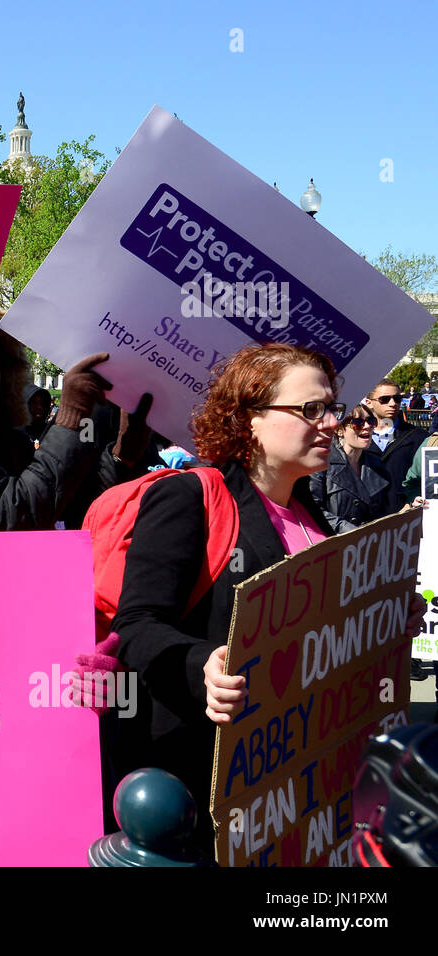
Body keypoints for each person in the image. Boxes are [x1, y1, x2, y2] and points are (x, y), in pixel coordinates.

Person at [111, 343, 426, 856]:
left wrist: (387, 617)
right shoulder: (190, 496)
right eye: (310, 410)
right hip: (205, 784)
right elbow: (137, 625)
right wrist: (201, 667)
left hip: (302, 785)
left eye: (332, 409)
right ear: (250, 419)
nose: (329, 423)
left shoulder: (309, 513)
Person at [0, 302, 150, 531]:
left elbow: (71, 508)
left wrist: (122, 455)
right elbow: (17, 515)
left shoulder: (10, 441)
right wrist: (70, 419)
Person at [309, 405, 398, 533]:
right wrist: (351, 532)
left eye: (371, 421)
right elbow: (314, 510)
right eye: (358, 423)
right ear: (339, 430)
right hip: (335, 544)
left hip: (371, 544)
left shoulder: (377, 464)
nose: (367, 426)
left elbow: (388, 508)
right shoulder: (321, 463)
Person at [364, 379, 424, 493]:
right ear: (369, 402)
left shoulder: (419, 437)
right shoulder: (356, 438)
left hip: (405, 507)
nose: (393, 403)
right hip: (366, 508)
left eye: (397, 399)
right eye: (384, 399)